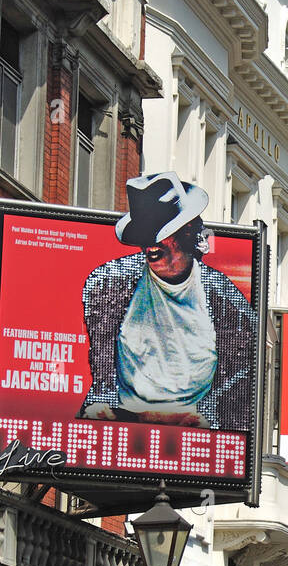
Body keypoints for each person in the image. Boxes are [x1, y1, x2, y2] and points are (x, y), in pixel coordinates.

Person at [80, 172, 255, 431]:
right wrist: (104, 408)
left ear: (186, 230)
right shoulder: (106, 283)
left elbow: (243, 375)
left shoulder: (227, 301)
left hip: (194, 430)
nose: (149, 242)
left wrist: (210, 418)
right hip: (121, 424)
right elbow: (102, 365)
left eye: (159, 231)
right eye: (143, 232)